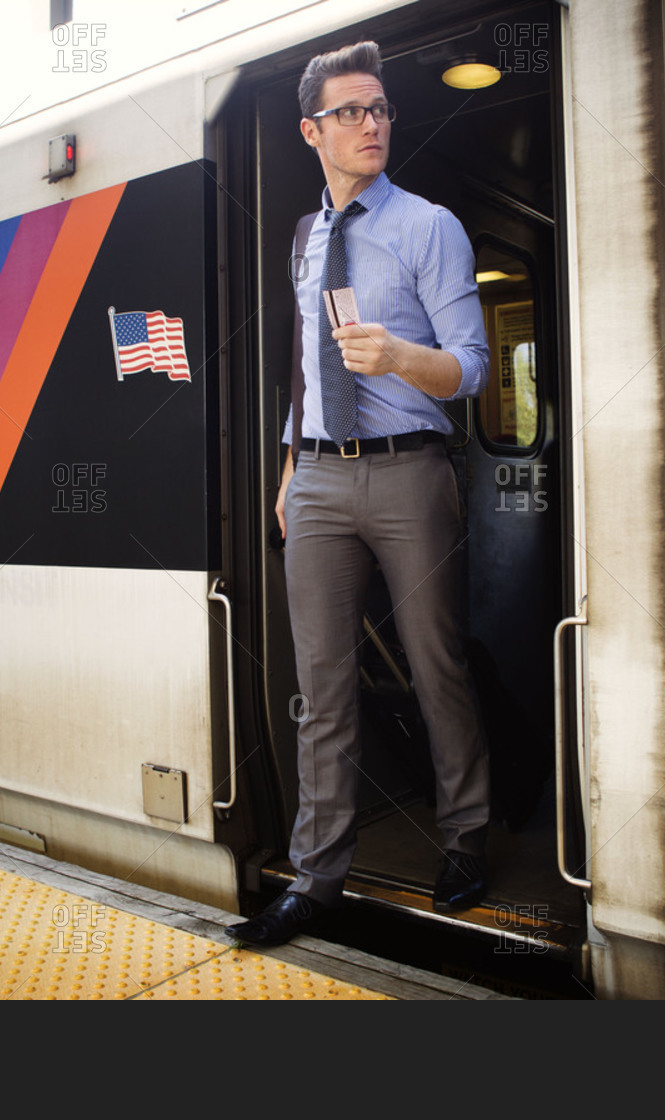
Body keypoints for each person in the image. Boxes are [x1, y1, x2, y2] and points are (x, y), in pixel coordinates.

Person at [225, 40, 491, 948]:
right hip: (321, 480)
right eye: (352, 112)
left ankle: (465, 838)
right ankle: (316, 876)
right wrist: (291, 466)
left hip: (412, 468)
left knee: (434, 664)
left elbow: (473, 370)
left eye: (380, 109)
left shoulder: (428, 225)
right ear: (313, 131)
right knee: (323, 685)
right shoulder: (307, 239)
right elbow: (304, 368)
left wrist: (401, 358)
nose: (372, 124)